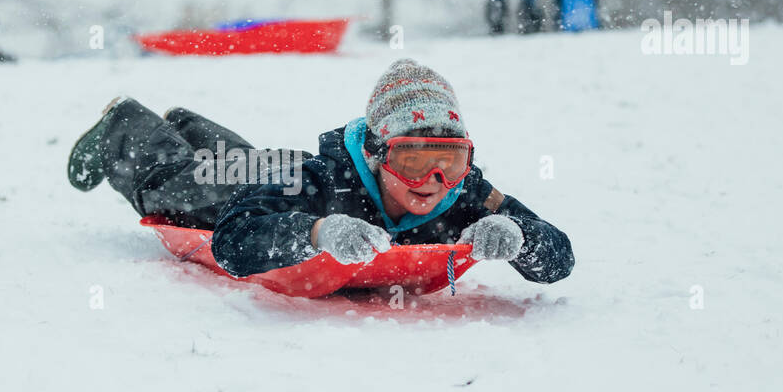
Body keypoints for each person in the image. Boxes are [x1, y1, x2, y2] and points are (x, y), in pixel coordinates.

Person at [67, 59, 573, 284]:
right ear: (377, 154)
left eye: (451, 161)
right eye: (413, 162)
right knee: (175, 183)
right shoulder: (320, 183)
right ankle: (125, 123)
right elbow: (232, 241)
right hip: (274, 183)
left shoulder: (465, 194)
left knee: (234, 159)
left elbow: (559, 255)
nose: (434, 182)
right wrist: (316, 231)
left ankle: (186, 123)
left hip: (271, 168)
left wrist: (520, 236)